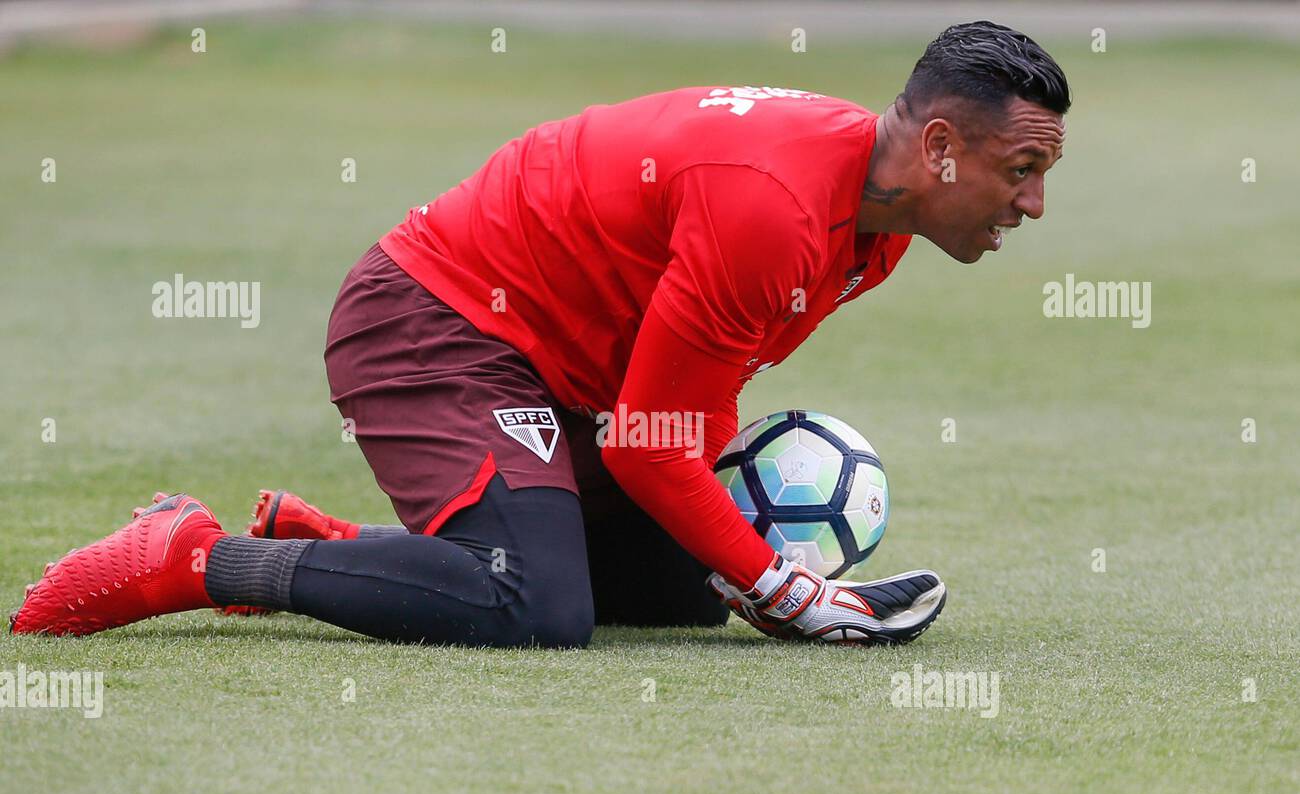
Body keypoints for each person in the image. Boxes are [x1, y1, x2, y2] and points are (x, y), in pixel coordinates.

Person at [12, 21, 1068, 648]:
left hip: (554, 367)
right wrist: (788, 587)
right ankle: (196, 556)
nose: (1028, 205)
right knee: (533, 603)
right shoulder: (778, 208)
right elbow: (651, 441)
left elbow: (680, 404)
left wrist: (752, 571)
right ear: (936, 147)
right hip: (433, 319)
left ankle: (337, 542)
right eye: (1019, 172)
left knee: (682, 593)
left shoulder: (870, 230)